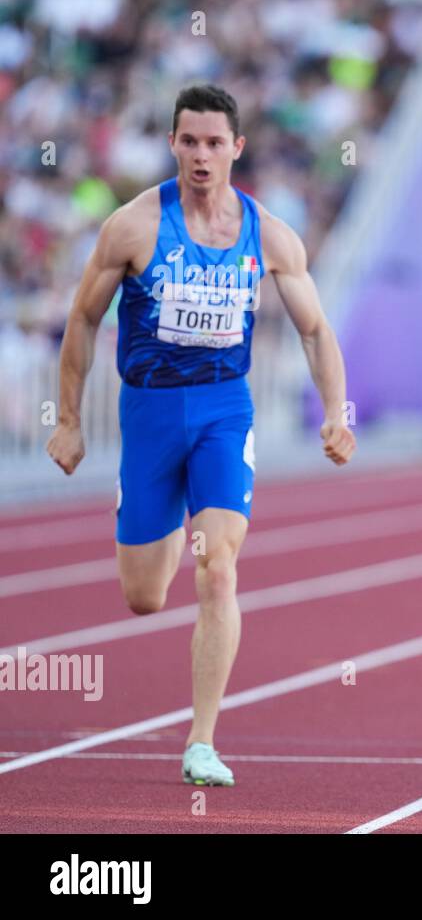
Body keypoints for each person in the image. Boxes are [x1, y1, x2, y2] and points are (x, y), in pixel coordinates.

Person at [46, 84, 357, 784]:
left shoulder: (269, 234)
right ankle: (143, 514)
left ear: (237, 149)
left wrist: (337, 411)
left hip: (224, 408)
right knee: (144, 595)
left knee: (219, 568)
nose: (201, 154)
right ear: (172, 146)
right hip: (150, 412)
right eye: (189, 141)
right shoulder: (132, 227)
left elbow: (314, 329)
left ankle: (201, 741)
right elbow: (83, 319)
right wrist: (67, 420)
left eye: (215, 142)